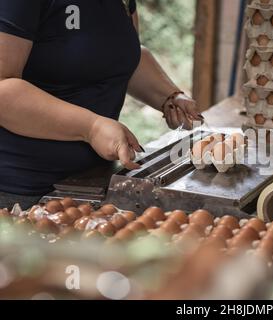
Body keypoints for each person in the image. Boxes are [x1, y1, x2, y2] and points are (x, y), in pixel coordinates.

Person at [0, 0, 202, 209]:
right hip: (20, 189)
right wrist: (91, 127)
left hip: (91, 181)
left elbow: (121, 55)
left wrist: (169, 96)